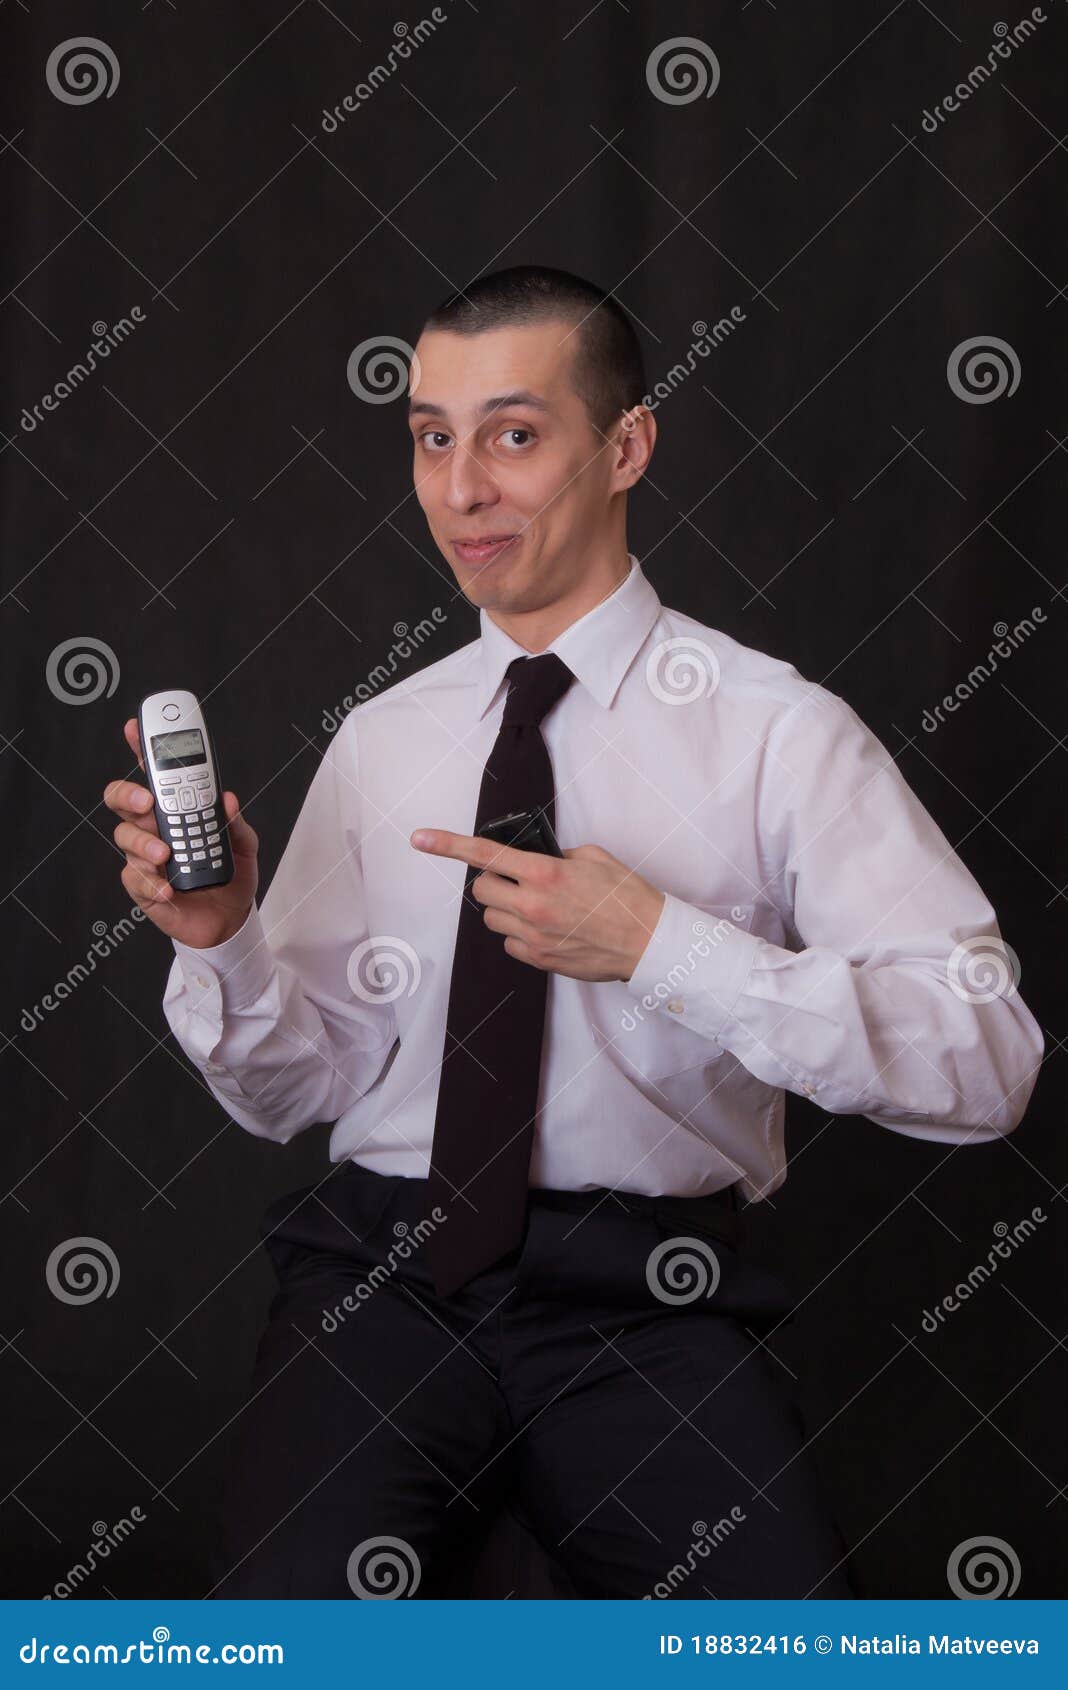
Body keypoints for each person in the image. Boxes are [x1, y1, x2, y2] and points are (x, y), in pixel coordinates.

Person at [104, 265, 1044, 1600]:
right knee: (285, 1646)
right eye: (433, 437)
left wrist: (663, 944)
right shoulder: (386, 742)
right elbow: (289, 1093)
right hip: (385, 1288)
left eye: (515, 434)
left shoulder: (780, 733)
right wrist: (221, 937)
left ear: (627, 445)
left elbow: (990, 1057)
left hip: (647, 1304)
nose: (463, 488)